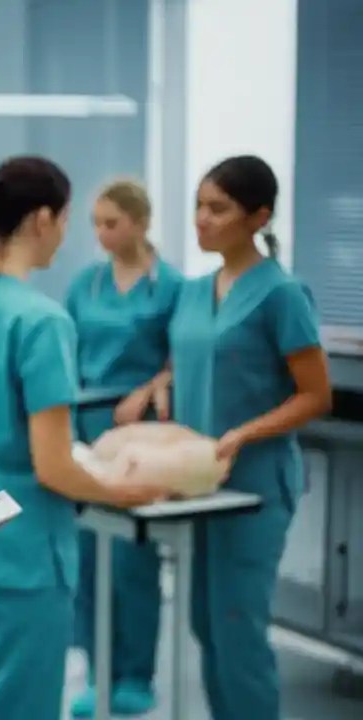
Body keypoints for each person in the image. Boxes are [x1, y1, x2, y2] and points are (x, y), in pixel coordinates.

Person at [0, 156, 162, 720]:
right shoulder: (40, 321)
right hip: (19, 559)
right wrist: (125, 492)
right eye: (69, 220)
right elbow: (53, 467)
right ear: (43, 220)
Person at [160, 155, 331, 720]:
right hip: (198, 483)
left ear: (258, 217)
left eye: (218, 208)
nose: (201, 219)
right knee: (204, 623)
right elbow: (187, 362)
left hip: (254, 486)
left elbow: (315, 395)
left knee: (237, 628)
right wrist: (159, 388)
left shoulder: (282, 294)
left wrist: (242, 434)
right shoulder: (192, 292)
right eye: (198, 206)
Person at [64, 179, 184, 717]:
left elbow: (183, 354)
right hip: (85, 427)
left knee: (133, 561)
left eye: (111, 223)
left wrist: (152, 385)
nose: (101, 233)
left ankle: (137, 675)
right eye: (95, 223)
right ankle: (99, 671)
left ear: (141, 222)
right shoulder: (85, 285)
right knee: (89, 556)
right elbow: (64, 350)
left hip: (139, 434)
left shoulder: (171, 287)